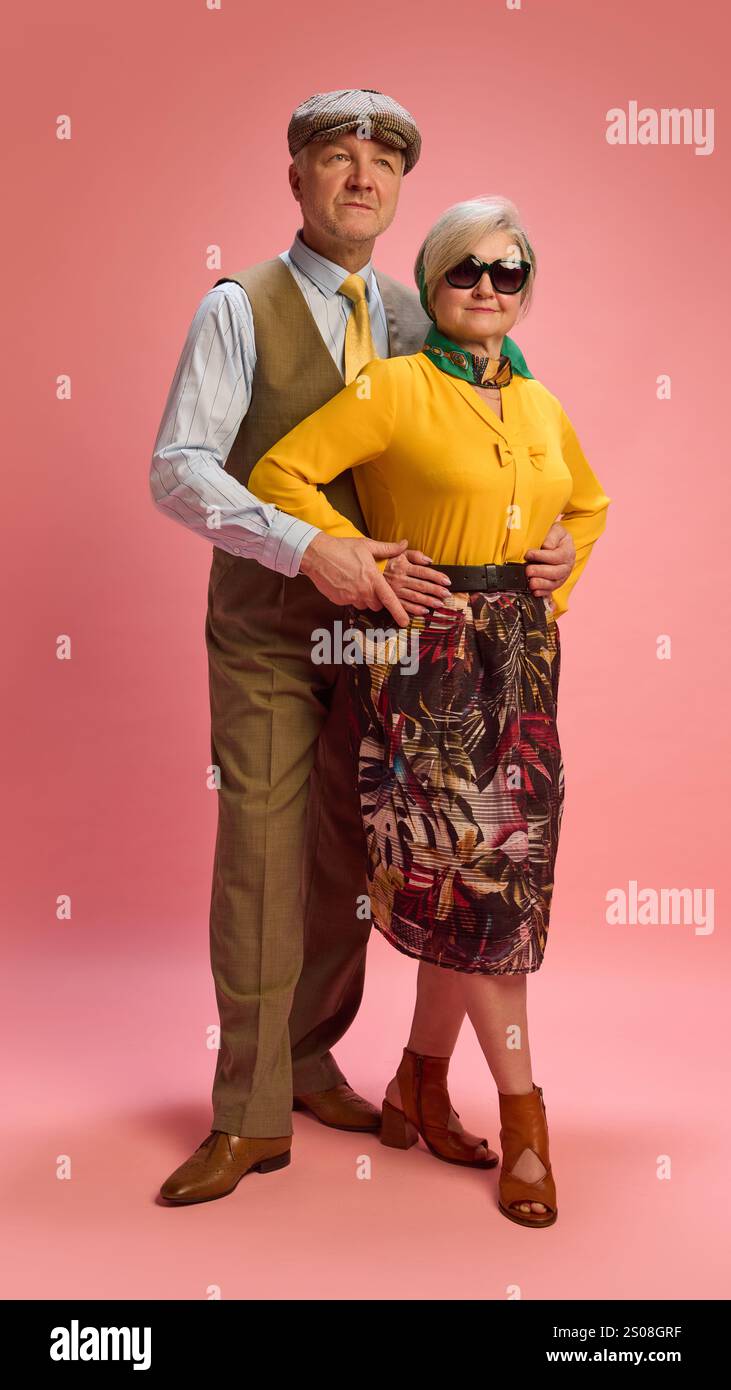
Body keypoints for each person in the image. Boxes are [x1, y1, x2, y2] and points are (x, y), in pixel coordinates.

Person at [151, 89, 576, 1206]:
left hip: (395, 647)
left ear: (398, 192)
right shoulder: (237, 308)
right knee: (261, 848)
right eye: (333, 157)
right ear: (294, 178)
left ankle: (308, 1054)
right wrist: (310, 550)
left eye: (380, 163)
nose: (357, 177)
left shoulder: (417, 311)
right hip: (271, 627)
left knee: (353, 856)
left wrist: (542, 549)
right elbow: (181, 468)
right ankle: (247, 1115)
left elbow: (485, 454)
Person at [248, 195, 611, 1227]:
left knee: (489, 889)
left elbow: (587, 502)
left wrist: (563, 560)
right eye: (465, 271)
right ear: (433, 281)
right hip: (424, 660)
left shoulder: (538, 404)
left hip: (524, 660)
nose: (488, 288)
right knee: (478, 887)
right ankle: (524, 1118)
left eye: (509, 272)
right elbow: (279, 474)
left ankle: (415, 1077)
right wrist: (362, 564)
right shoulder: (394, 388)